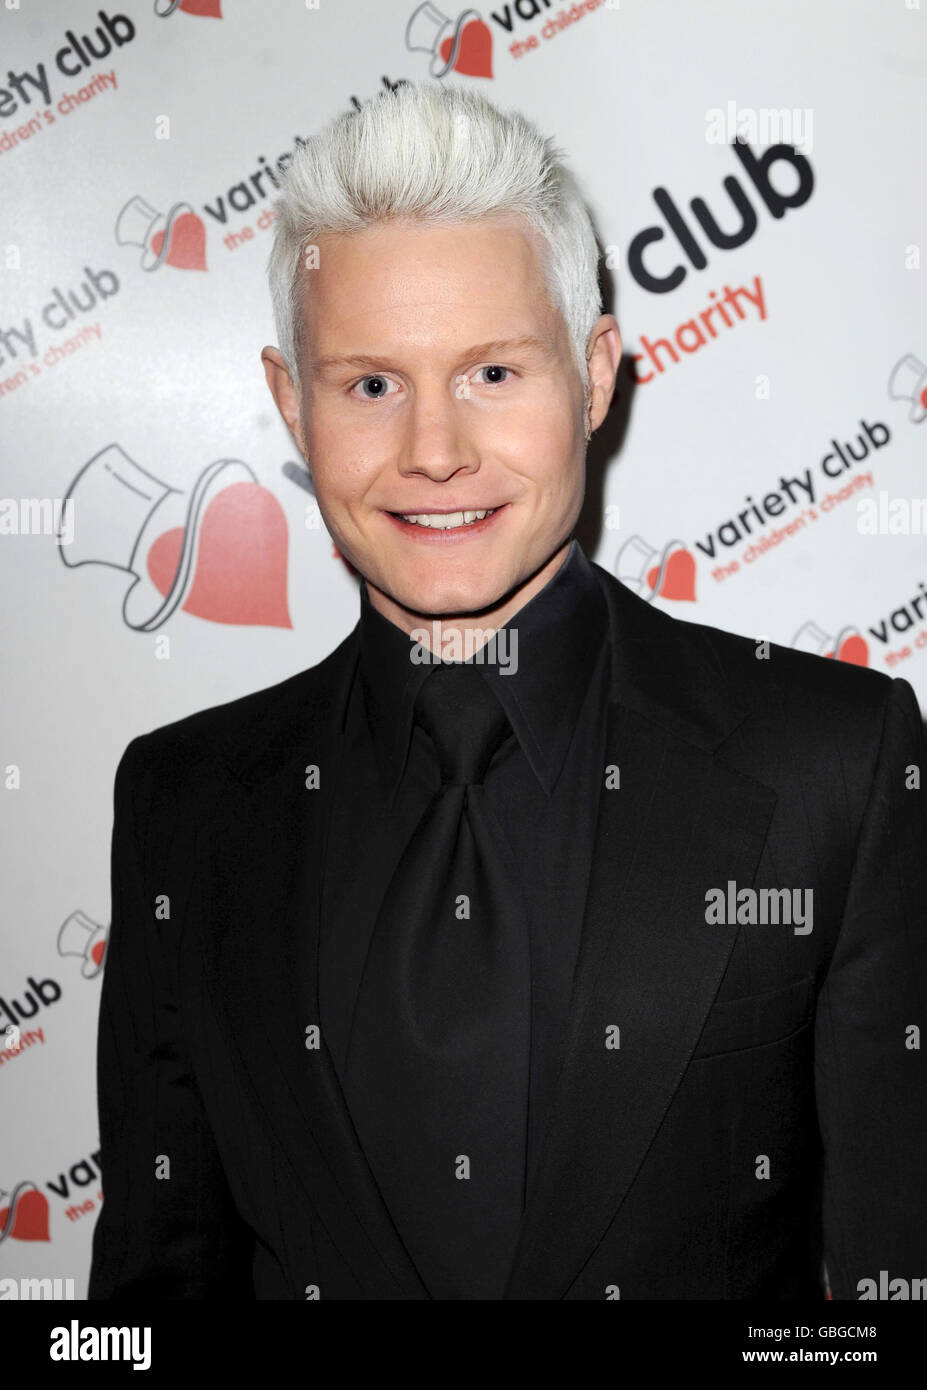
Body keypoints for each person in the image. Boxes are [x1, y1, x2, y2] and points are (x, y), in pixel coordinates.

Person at [88, 82, 927, 1301]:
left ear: (593, 377)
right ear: (290, 404)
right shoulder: (183, 801)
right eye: (370, 385)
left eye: (491, 371)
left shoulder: (835, 766)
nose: (435, 450)